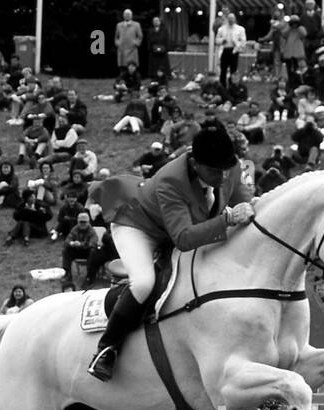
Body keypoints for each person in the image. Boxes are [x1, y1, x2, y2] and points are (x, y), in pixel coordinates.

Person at [86, 121, 253, 381]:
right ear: (196, 163)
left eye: (225, 169)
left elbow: (245, 200)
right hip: (138, 226)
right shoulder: (170, 181)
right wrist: (227, 220)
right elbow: (184, 238)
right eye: (214, 171)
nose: (222, 177)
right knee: (144, 283)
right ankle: (107, 348)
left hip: (176, 227)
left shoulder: (226, 165)